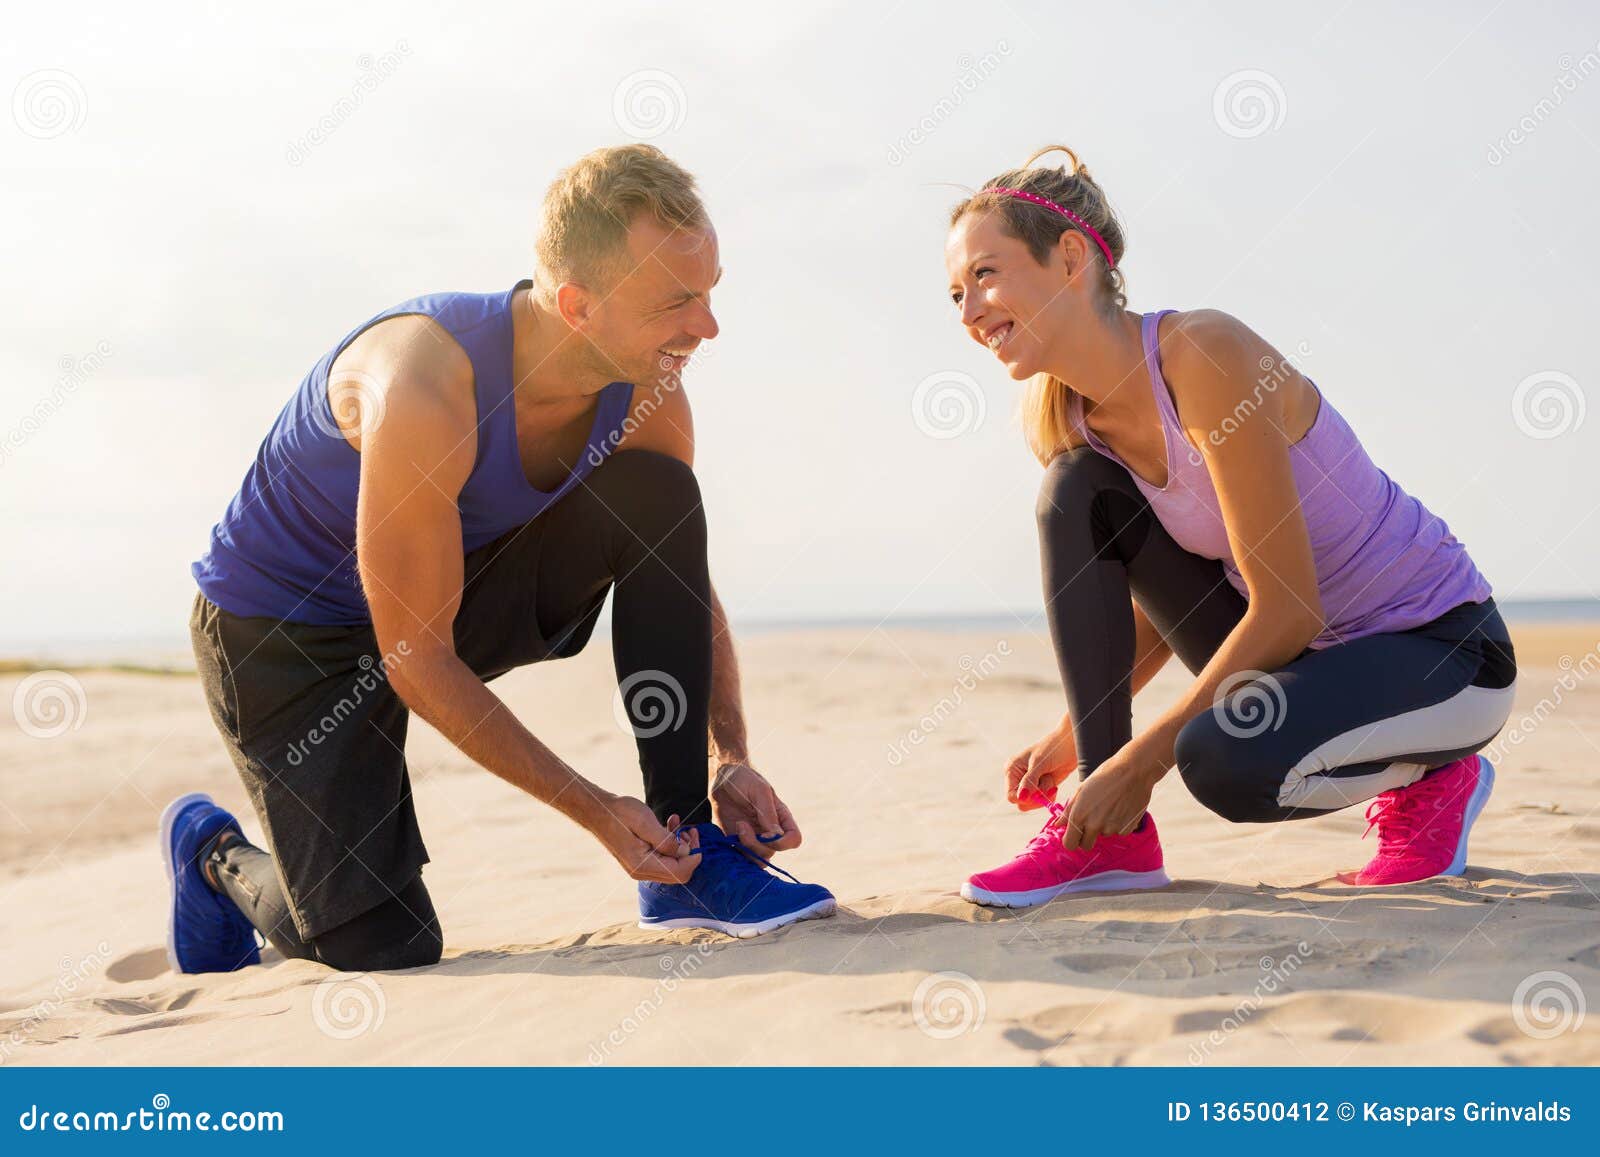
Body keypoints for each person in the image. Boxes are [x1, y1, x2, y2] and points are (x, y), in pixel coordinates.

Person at [162, 144, 834, 974]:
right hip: (286, 639)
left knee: (656, 494)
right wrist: (592, 809)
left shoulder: (648, 386)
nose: (707, 326)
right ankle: (212, 856)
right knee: (382, 946)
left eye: (710, 292)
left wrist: (726, 755)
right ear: (580, 305)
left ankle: (684, 853)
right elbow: (415, 656)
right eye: (676, 300)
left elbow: (678, 567)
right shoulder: (424, 381)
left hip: (446, 592)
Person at [944, 145, 1517, 907]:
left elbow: (1286, 607)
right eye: (954, 293)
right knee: (1073, 489)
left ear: (1071, 257)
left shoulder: (1201, 354)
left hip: (1443, 650)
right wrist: (1084, 743)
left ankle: (1437, 773)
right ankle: (1109, 843)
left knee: (1220, 761)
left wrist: (1142, 763)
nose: (970, 309)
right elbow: (1173, 599)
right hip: (1307, 658)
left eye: (985, 274)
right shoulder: (1082, 424)